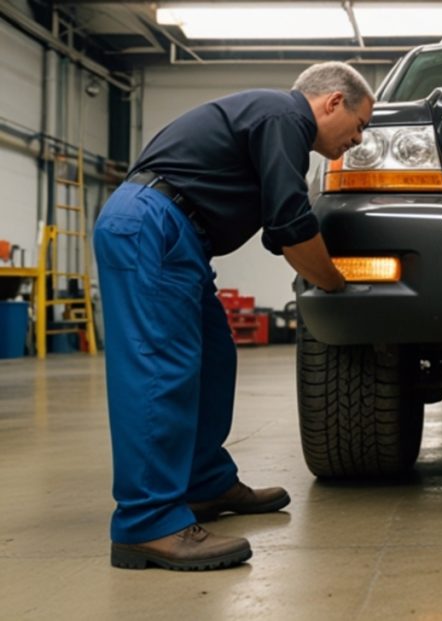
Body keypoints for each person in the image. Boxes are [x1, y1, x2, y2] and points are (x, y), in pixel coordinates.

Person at [94, 61, 374, 569]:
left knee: (214, 358)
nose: (357, 138)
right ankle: (147, 523)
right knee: (160, 371)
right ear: (333, 102)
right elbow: (291, 226)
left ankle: (205, 483)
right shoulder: (284, 117)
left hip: (179, 236)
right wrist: (337, 284)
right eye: (359, 125)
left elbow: (280, 224)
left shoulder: (276, 125)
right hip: (152, 224)